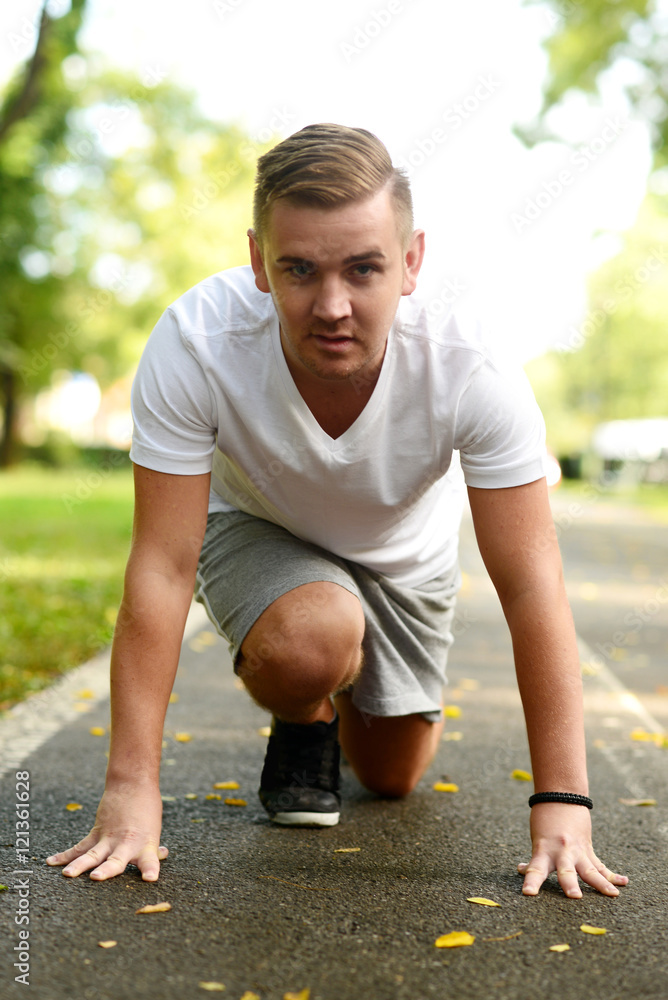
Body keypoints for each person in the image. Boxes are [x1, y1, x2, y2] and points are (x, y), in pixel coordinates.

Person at [47, 123, 628, 899]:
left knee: (391, 779)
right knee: (310, 643)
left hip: (406, 555)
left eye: (363, 269)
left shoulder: (471, 369)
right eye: (299, 269)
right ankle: (305, 711)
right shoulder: (196, 342)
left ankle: (359, 698)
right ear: (258, 260)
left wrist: (564, 804)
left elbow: (531, 584)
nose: (332, 306)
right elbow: (161, 564)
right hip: (261, 531)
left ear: (412, 262)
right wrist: (129, 788)